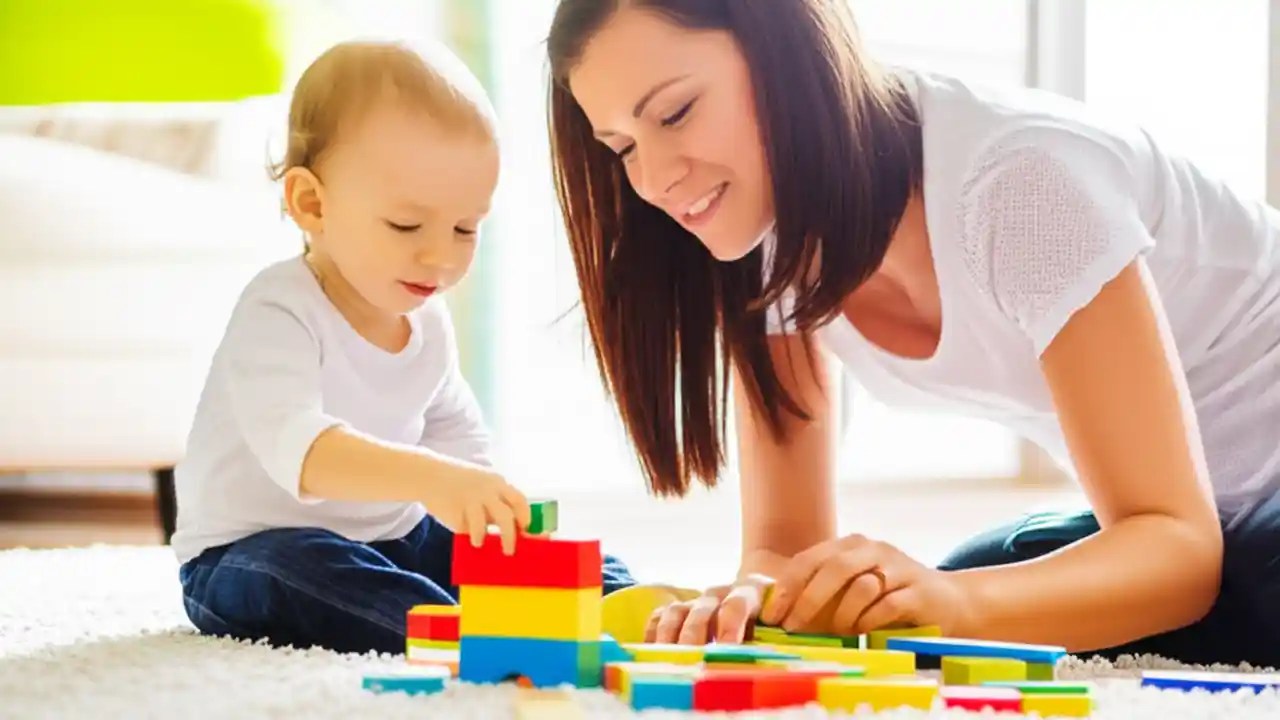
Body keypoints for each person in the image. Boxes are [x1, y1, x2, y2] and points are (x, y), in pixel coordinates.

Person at [545, 0, 1280, 667]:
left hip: (1215, 524)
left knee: (1227, 585)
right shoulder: (757, 241)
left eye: (674, 114)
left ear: (784, 50)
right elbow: (784, 543)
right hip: (1193, 520)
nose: (655, 180)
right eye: (623, 147)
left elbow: (1177, 553)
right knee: (918, 597)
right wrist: (752, 608)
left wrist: (957, 608)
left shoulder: (1022, 183)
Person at [172, 40, 635, 655]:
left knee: (525, 559)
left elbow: (456, 438)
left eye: (466, 228)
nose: (440, 256)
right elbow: (304, 453)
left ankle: (624, 606)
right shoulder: (279, 308)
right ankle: (462, 633)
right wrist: (435, 479)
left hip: (396, 536)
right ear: (312, 204)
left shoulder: (428, 323)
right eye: (407, 226)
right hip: (250, 551)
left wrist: (489, 511)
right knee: (313, 573)